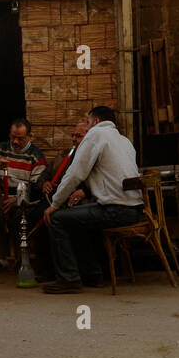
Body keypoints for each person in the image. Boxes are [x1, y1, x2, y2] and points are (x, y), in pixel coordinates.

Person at [41, 106, 143, 292]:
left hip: (115, 210)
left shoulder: (96, 134)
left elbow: (75, 173)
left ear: (95, 121)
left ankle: (68, 278)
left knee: (57, 219)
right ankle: (92, 274)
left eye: (88, 122)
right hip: (135, 209)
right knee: (73, 219)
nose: (88, 127)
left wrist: (54, 204)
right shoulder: (123, 140)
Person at [0, 118, 47, 274]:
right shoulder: (0, 149)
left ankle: (21, 260)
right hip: (1, 194)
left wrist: (17, 199)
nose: (15, 142)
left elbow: (37, 186)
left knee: (20, 216)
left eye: (20, 139)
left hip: (24, 198)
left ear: (30, 137)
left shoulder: (36, 156)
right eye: (13, 137)